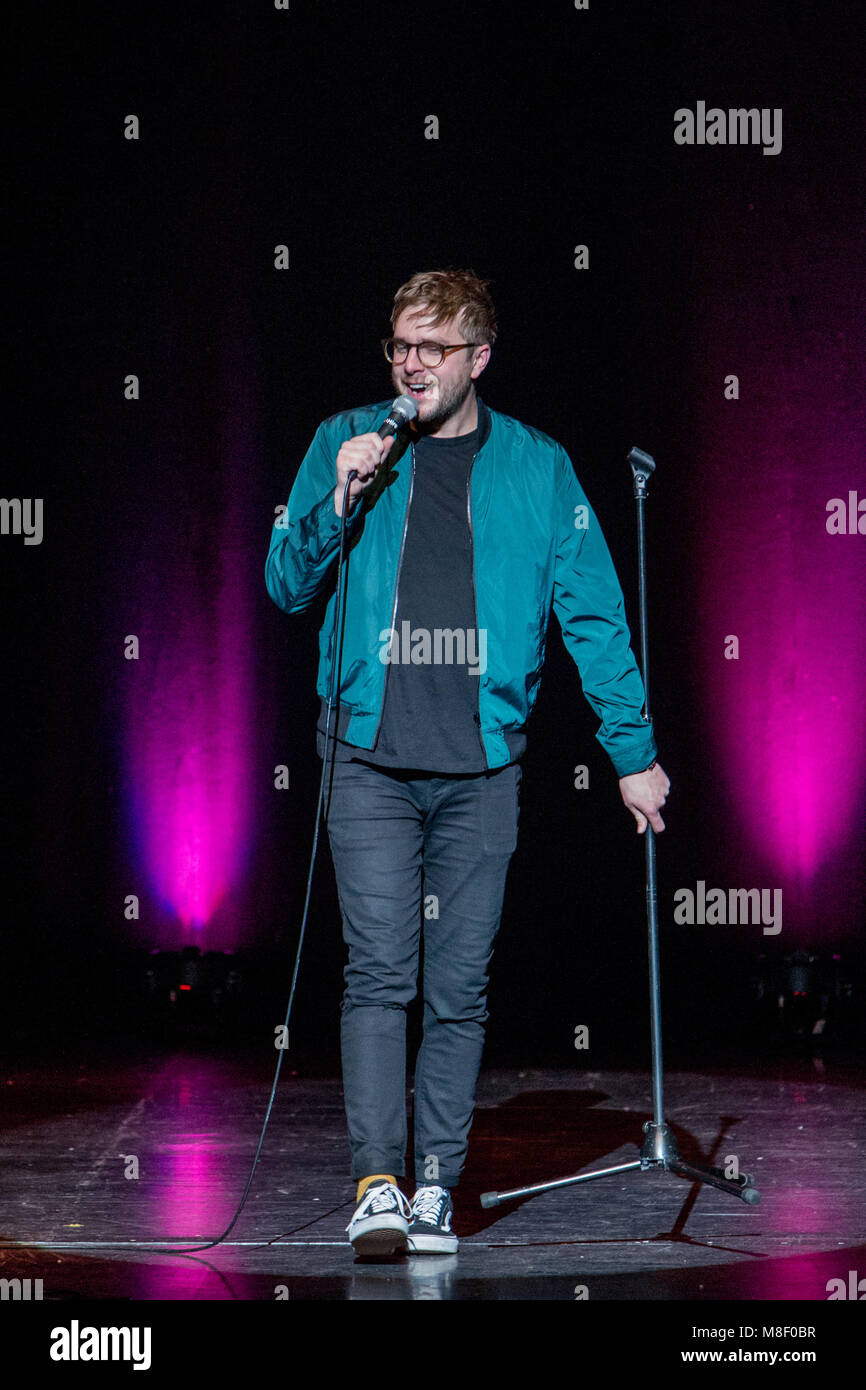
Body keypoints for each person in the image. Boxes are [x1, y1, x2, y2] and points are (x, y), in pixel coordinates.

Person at [265, 269, 670, 1257]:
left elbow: (593, 614)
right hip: (365, 754)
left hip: (482, 765)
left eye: (432, 349)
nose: (410, 364)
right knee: (377, 973)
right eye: (400, 345)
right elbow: (285, 585)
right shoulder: (343, 441)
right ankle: (376, 1183)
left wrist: (632, 752)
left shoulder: (538, 468)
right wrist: (336, 494)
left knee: (458, 985)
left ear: (476, 358)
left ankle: (436, 1182)